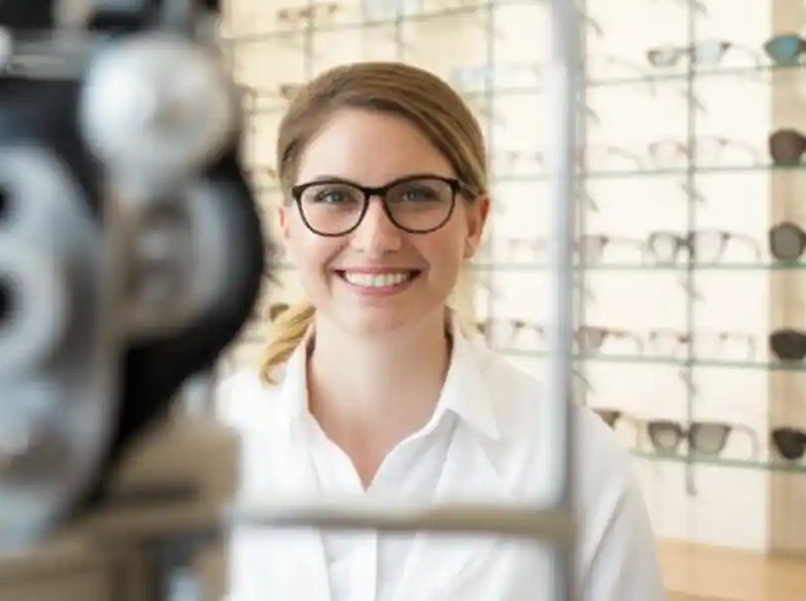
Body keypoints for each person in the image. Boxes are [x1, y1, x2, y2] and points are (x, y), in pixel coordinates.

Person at [216, 61, 663, 601]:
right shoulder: (202, 448)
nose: (376, 238)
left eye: (416, 194)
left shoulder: (579, 463)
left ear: (474, 223)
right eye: (334, 196)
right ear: (286, 225)